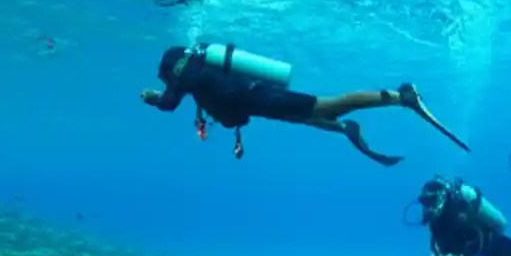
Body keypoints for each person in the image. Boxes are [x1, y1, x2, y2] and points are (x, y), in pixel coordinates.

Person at [140, 43, 471, 165]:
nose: (167, 83)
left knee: (331, 105)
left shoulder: (187, 75)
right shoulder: (196, 73)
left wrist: (154, 98)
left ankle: (402, 97)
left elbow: (169, 102)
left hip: (262, 98)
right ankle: (344, 129)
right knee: (309, 117)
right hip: (261, 102)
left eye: (166, 77)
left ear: (172, 69)